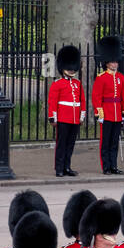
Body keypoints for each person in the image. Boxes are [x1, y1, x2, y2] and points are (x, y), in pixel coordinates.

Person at [91, 35, 124, 174]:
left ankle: (114, 166)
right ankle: (106, 167)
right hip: (106, 113)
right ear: (107, 63)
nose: (115, 64)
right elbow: (96, 97)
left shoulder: (121, 77)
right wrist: (98, 112)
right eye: (112, 62)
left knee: (114, 143)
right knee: (105, 143)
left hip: (117, 114)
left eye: (116, 62)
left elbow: (123, 96)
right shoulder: (101, 78)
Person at [48, 45, 85, 178]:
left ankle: (67, 167)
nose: (71, 70)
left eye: (72, 67)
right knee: (61, 144)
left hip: (75, 118)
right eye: (68, 67)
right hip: (63, 118)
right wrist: (53, 118)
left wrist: (81, 116)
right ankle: (59, 168)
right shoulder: (57, 84)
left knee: (70, 144)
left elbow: (82, 101)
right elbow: (52, 102)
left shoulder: (77, 84)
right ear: (62, 68)